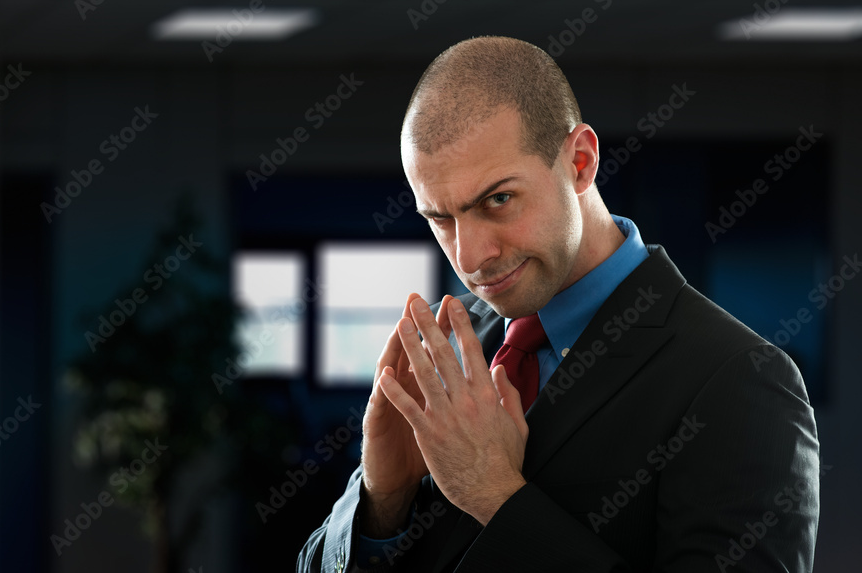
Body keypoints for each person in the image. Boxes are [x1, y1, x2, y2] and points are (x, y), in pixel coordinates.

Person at [297, 36, 820, 572]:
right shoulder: (448, 344)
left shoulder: (741, 382)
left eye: (498, 199)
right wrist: (385, 502)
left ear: (580, 162)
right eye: (441, 219)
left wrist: (497, 497)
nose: (471, 257)